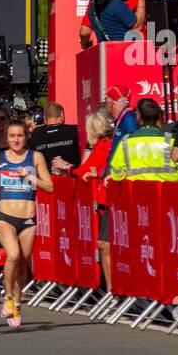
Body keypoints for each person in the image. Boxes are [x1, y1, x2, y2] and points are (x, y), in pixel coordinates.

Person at [0, 120, 54, 330]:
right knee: (13, 255)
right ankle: (7, 297)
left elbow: (49, 186)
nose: (16, 139)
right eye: (12, 135)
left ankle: (17, 302)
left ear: (26, 137)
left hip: (28, 219)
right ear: (6, 137)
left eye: (20, 136)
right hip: (5, 217)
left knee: (23, 263)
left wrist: (31, 177)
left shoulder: (36, 157)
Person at [70, 110, 116, 292]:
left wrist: (68, 168)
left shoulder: (104, 145)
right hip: (103, 200)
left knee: (104, 246)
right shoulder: (103, 144)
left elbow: (87, 170)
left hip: (106, 200)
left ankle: (111, 290)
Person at [108, 98, 178, 183]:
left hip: (138, 194)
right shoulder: (172, 140)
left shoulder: (125, 142)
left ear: (138, 117)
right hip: (169, 193)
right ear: (159, 116)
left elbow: (116, 173)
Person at [29, 102, 81, 174]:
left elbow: (31, 160)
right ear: (62, 114)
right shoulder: (74, 130)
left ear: (44, 118)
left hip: (46, 182)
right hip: (71, 180)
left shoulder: (36, 134)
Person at [104, 86, 139, 155]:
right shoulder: (122, 118)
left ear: (110, 102)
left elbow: (133, 151)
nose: (105, 103)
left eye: (106, 99)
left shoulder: (129, 119)